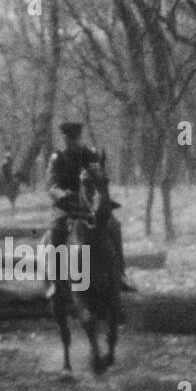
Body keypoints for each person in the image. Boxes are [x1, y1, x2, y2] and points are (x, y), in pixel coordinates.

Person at [45, 122, 134, 291]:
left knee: (114, 226)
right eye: (67, 139)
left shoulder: (90, 155)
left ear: (79, 138)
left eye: (74, 139)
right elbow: (51, 185)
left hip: (90, 205)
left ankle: (119, 274)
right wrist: (63, 194)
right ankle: (57, 281)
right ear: (63, 139)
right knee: (57, 231)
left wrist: (98, 194)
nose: (71, 142)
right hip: (67, 206)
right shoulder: (58, 158)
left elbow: (98, 175)